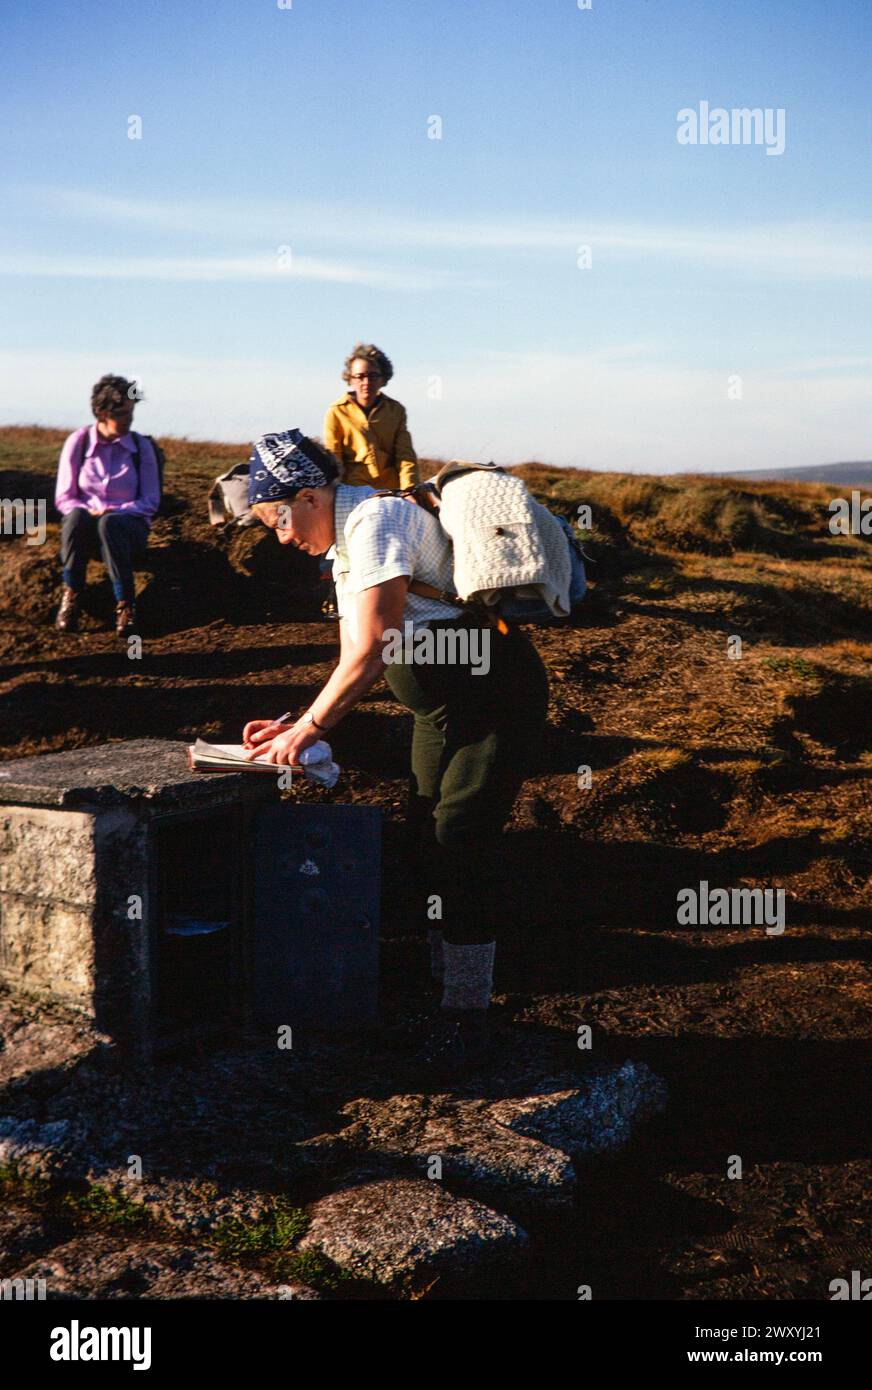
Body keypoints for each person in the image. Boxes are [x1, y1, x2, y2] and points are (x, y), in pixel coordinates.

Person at [242, 430, 550, 1076]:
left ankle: (468, 1018)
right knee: (423, 835)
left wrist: (311, 730)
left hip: (493, 698)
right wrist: (298, 726)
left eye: (276, 517)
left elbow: (373, 648)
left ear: (306, 496)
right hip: (441, 710)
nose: (279, 535)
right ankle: (442, 998)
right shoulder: (349, 542)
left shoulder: (376, 521)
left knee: (461, 836)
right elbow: (352, 656)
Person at [54, 375, 161, 637]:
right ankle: (72, 595)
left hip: (128, 527)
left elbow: (151, 500)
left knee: (109, 523)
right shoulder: (78, 443)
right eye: (123, 413)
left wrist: (118, 511)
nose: (130, 419)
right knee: (77, 517)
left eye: (131, 412)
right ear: (102, 413)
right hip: (86, 525)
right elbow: (64, 497)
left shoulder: (141, 446)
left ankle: (126, 605)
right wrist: (89, 510)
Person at [320, 343, 418, 620]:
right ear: (349, 379)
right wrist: (335, 494)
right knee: (345, 550)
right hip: (350, 494)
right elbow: (333, 457)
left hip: (388, 493)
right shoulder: (336, 412)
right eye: (359, 376)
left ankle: (387, 604)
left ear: (383, 378)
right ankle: (337, 601)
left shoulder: (396, 411)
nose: (366, 382)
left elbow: (405, 455)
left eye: (372, 376)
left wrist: (409, 490)